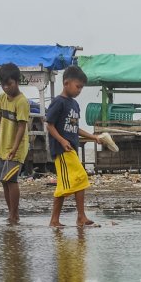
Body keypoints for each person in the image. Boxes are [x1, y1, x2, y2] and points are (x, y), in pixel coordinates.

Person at [45, 65, 102, 228]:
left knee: (69, 184)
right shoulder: (58, 102)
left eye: (81, 88)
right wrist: (62, 140)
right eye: (78, 86)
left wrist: (93, 137)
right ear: (66, 83)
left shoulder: (75, 105)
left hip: (71, 150)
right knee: (78, 179)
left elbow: (76, 129)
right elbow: (49, 124)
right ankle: (76, 217)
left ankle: (61, 219)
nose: (79, 90)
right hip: (62, 151)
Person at [0, 62, 31, 223]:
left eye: (9, 84)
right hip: (2, 145)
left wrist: (14, 148)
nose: (6, 88)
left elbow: (22, 127)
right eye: (3, 85)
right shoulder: (2, 99)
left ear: (17, 81)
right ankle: (11, 213)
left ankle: (15, 214)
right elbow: (0, 120)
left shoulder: (22, 102)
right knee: (3, 180)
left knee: (11, 180)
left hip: (16, 147)